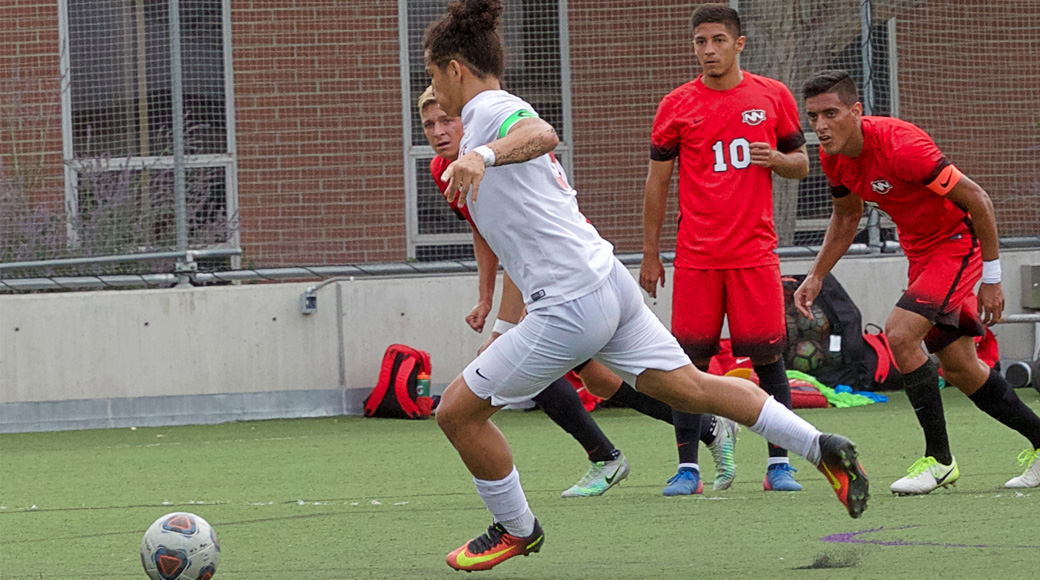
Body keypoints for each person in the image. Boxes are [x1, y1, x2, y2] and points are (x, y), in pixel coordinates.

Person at [424, 1, 867, 572]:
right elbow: (513, 237)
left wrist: (482, 154)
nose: (434, 92)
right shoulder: (476, 127)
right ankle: (821, 445)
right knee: (693, 387)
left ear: (456, 69)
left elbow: (540, 131)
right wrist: (506, 321)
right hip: (605, 283)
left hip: (571, 304)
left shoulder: (489, 110)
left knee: (456, 413)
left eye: (434, 76)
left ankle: (516, 528)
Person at [418, 86, 739, 498]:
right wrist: (484, 296)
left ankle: (607, 456)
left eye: (447, 120)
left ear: (469, 119)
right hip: (551, 282)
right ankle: (707, 426)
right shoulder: (443, 168)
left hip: (569, 277)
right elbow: (484, 231)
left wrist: (502, 327)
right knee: (602, 381)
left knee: (529, 367)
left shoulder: (492, 148)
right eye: (429, 124)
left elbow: (521, 250)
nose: (439, 131)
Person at [796, 69, 1040, 495]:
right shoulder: (832, 156)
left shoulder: (903, 147)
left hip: (958, 244)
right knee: (961, 368)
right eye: (813, 116)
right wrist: (816, 275)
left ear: (855, 111)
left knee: (899, 335)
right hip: (922, 254)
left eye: (830, 114)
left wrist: (992, 276)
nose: (819, 126)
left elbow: (978, 200)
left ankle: (940, 462)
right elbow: (847, 215)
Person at [640, 4, 809, 495]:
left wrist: (777, 159)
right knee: (685, 366)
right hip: (696, 257)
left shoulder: (771, 96)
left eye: (717, 40)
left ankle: (780, 465)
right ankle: (688, 468)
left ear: (739, 44)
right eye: (700, 41)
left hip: (755, 255)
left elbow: (801, 162)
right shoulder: (676, 105)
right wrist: (651, 254)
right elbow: (657, 183)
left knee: (768, 361)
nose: (708, 50)